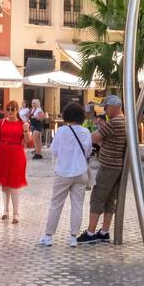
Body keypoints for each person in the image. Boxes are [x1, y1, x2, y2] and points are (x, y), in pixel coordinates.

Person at [40, 102, 93, 247]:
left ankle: (48, 236)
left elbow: (54, 151)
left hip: (63, 172)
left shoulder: (62, 131)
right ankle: (73, 238)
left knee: (56, 204)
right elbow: (88, 152)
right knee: (77, 205)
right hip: (81, 172)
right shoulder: (86, 132)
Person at [81, 94, 127, 243]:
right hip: (118, 166)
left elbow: (93, 138)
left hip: (109, 166)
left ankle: (90, 232)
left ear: (114, 107)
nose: (105, 111)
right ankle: (104, 231)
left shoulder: (113, 123)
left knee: (97, 197)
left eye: (106, 108)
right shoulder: (125, 121)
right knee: (110, 199)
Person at [0, 100, 29, 223]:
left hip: (17, 155)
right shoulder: (1, 122)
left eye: (13, 109)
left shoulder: (22, 123)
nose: (10, 111)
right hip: (2, 155)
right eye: (8, 109)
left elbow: (28, 141)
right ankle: (5, 211)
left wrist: (25, 130)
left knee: (15, 184)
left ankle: (16, 213)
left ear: (17, 110)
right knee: (4, 184)